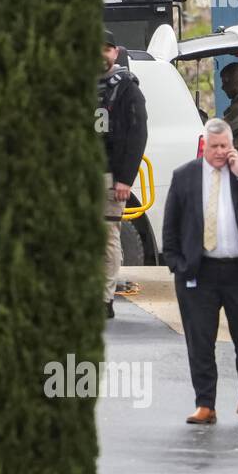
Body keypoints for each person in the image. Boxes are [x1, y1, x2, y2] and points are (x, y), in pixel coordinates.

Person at [162, 118, 238, 425]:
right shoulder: (185, 176)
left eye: (224, 146)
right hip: (200, 272)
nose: (219, 152)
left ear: (232, 146)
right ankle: (205, 404)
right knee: (200, 339)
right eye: (213, 146)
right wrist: (177, 263)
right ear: (205, 146)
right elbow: (171, 225)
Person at [98, 29, 147, 319]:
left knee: (107, 237)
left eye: (106, 49)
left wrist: (125, 179)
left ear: (115, 52)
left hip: (110, 177)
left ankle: (104, 300)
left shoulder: (127, 87)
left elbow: (137, 134)